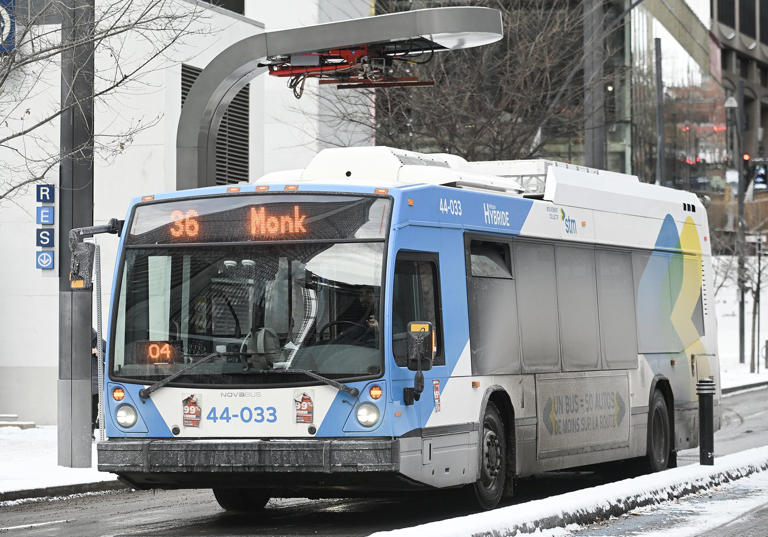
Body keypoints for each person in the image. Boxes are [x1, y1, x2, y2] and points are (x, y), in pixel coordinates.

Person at [91, 328, 105, 434]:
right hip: (83, 379)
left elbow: (111, 355)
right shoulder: (77, 342)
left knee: (93, 405)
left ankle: (90, 429)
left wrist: (99, 354)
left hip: (96, 379)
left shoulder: (99, 341)